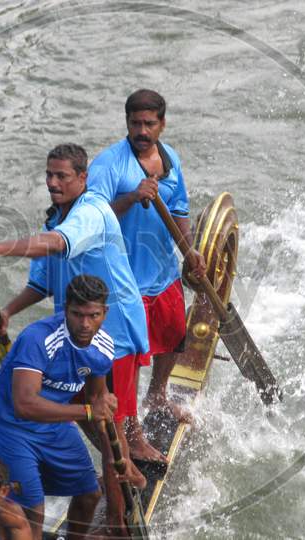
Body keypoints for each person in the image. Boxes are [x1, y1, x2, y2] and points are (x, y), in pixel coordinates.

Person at [0, 144, 149, 529]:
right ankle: (119, 466)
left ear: (83, 178)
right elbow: (46, 282)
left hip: (112, 335)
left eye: (62, 176)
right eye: (49, 175)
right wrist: (9, 311)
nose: (52, 183)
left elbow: (57, 244)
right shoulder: (57, 218)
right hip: (71, 335)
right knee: (86, 413)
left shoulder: (91, 212)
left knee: (108, 422)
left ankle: (117, 522)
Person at [86, 89, 206, 461]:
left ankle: (158, 396)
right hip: (124, 281)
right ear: (126, 123)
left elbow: (179, 210)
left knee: (172, 337)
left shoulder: (170, 159)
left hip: (163, 271)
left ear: (162, 124)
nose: (141, 130)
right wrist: (131, 197)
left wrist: (191, 253)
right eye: (135, 123)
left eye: (148, 123)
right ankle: (132, 433)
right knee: (131, 359)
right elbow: (91, 215)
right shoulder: (109, 164)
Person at [0, 274, 134, 539]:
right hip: (12, 424)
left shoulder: (105, 346)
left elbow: (97, 401)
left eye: (93, 315)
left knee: (90, 494)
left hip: (53, 422)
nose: (85, 324)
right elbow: (24, 405)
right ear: (66, 310)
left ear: (105, 313)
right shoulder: (38, 339)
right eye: (76, 314)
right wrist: (88, 412)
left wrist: (119, 457)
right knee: (33, 508)